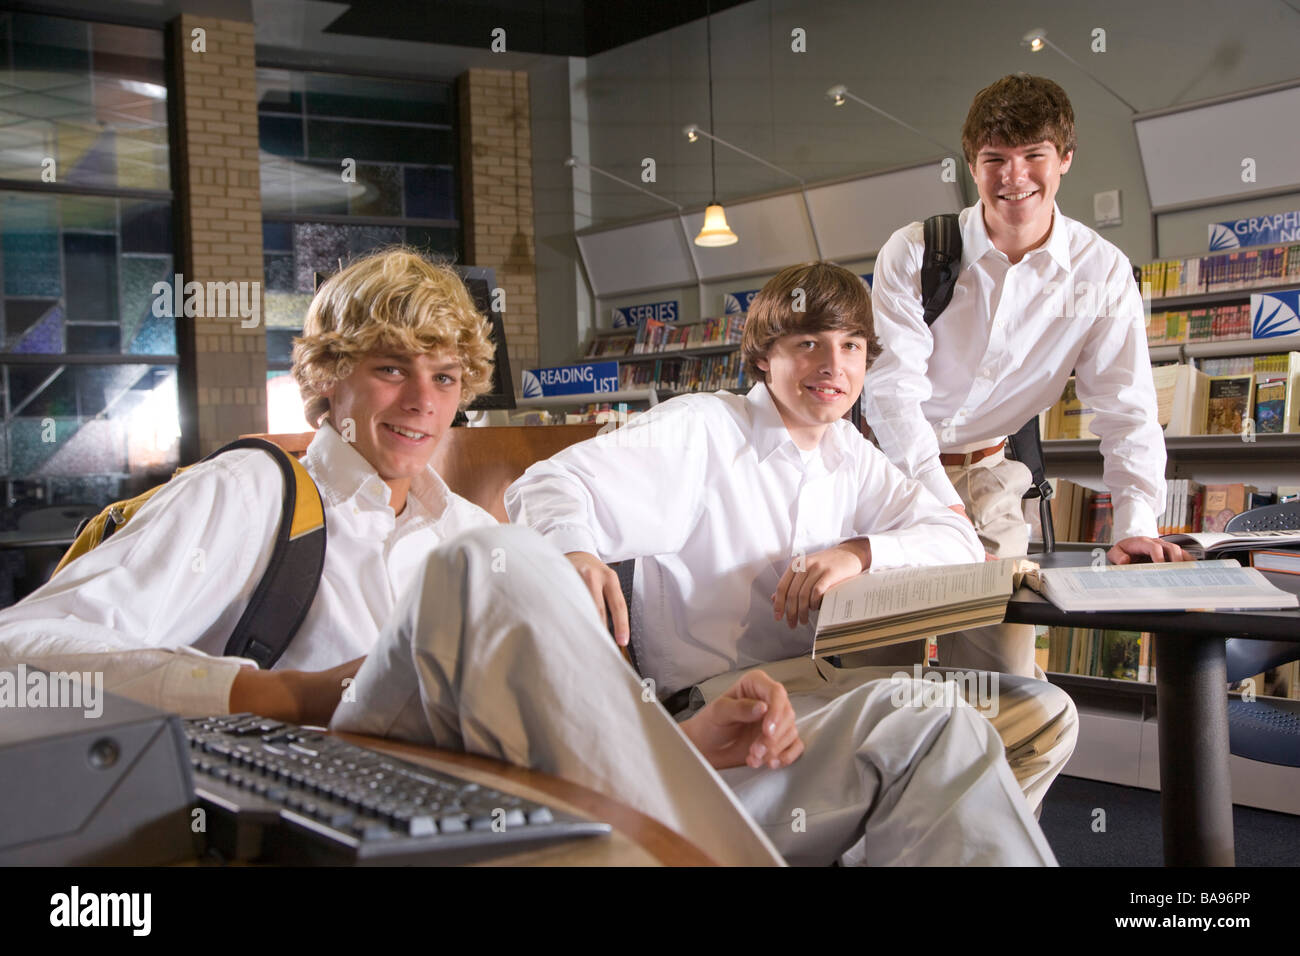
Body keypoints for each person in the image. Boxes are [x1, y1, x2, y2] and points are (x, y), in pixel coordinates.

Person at [0, 248, 1050, 866]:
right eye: (387, 369)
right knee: (497, 567)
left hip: (537, 806)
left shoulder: (460, 524)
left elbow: (549, 728)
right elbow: (22, 658)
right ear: (324, 380)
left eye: (448, 373)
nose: (422, 401)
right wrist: (274, 693)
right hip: (362, 818)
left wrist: (690, 739)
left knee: (924, 723)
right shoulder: (258, 490)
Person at [505, 261, 1076, 861]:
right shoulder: (703, 430)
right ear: (763, 357)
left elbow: (958, 539)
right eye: (810, 344)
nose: (835, 366)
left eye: (851, 346)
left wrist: (860, 551)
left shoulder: (848, 451)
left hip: (822, 691)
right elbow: (545, 483)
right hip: (721, 709)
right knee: (924, 719)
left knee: (1043, 712)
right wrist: (574, 550)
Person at [862, 74, 1190, 679]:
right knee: (871, 681)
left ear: (1064, 158)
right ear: (972, 164)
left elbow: (1127, 410)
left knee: (1002, 689)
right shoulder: (913, 253)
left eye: (1033, 156)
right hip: (886, 482)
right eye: (995, 160)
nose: (1014, 177)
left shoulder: (1102, 273)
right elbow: (889, 395)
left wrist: (1135, 525)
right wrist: (939, 508)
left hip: (990, 482)